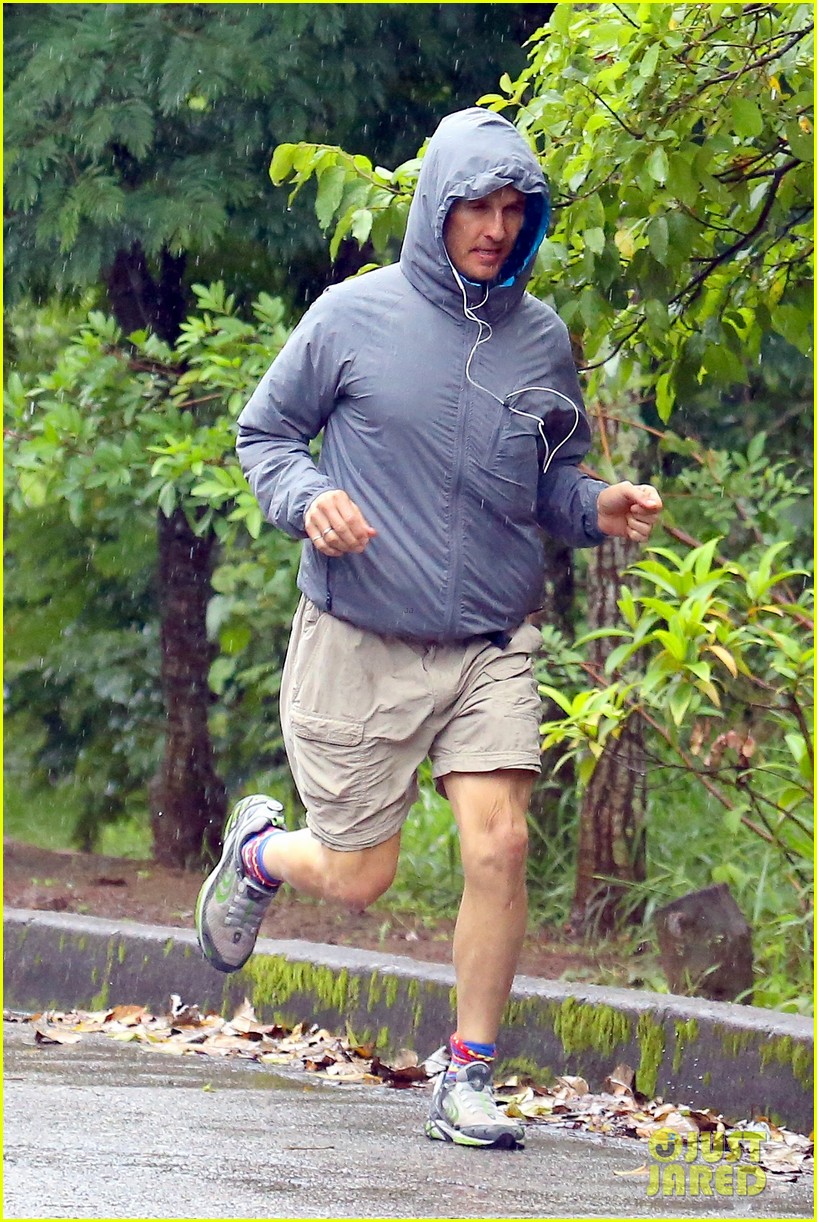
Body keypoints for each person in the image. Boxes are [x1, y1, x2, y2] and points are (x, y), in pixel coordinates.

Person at [196, 107, 662, 1149]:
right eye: (476, 207)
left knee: (499, 842)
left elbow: (549, 482)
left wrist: (596, 505)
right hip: (362, 632)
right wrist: (308, 499)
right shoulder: (351, 316)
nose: (496, 228)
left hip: (490, 638)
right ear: (435, 209)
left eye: (514, 210)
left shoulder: (540, 338)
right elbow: (265, 435)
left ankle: (468, 1074)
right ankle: (262, 855)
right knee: (360, 876)